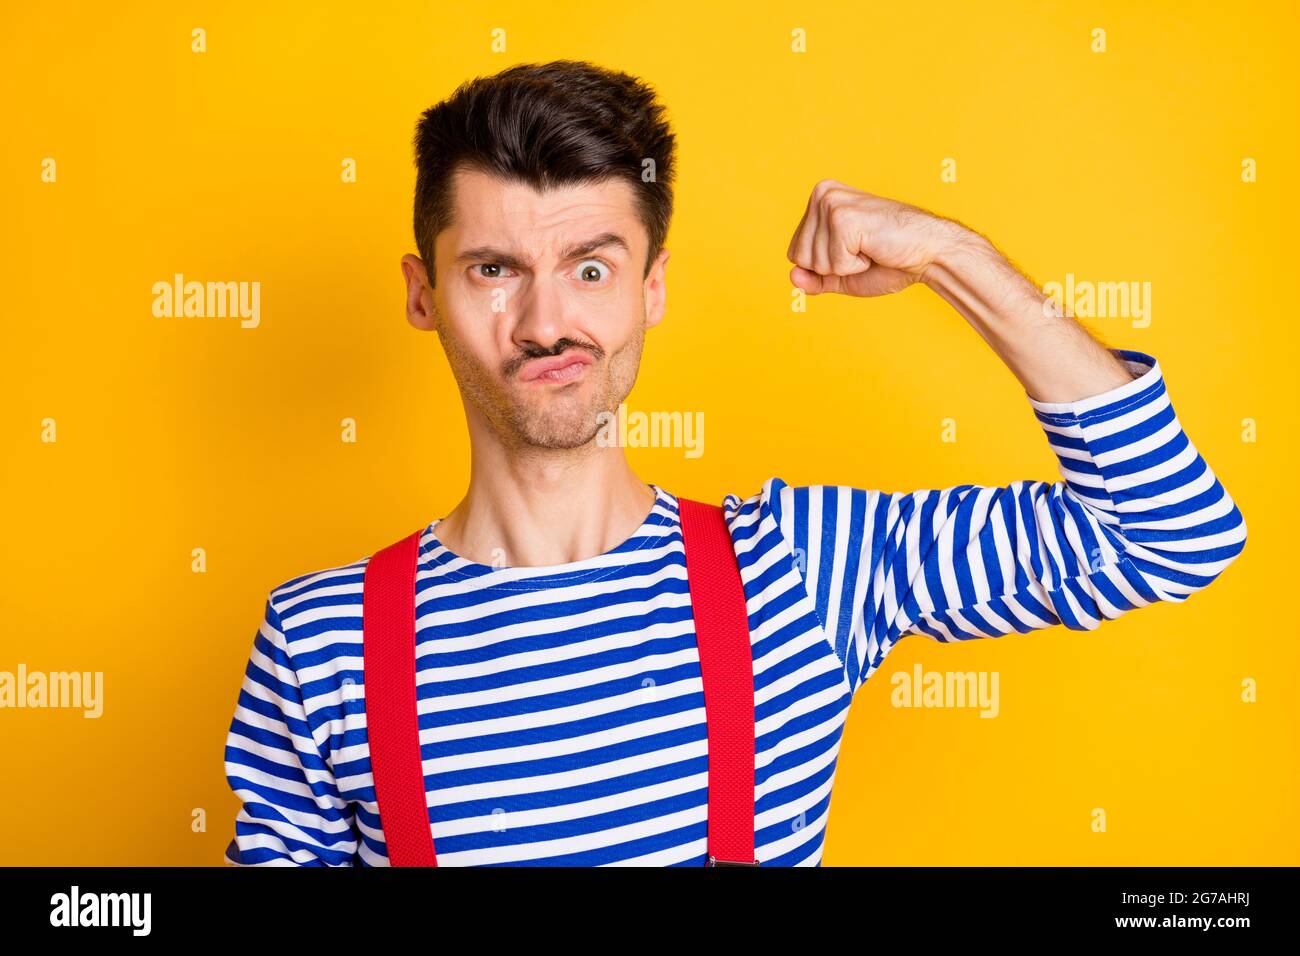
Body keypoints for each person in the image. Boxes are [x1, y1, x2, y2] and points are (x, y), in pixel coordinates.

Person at [221, 59, 1246, 866]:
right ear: (421, 292)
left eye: (590, 267)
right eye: (493, 269)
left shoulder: (802, 566)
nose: (545, 323)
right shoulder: (320, 639)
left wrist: (954, 258)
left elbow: (1168, 533)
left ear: (651, 288)